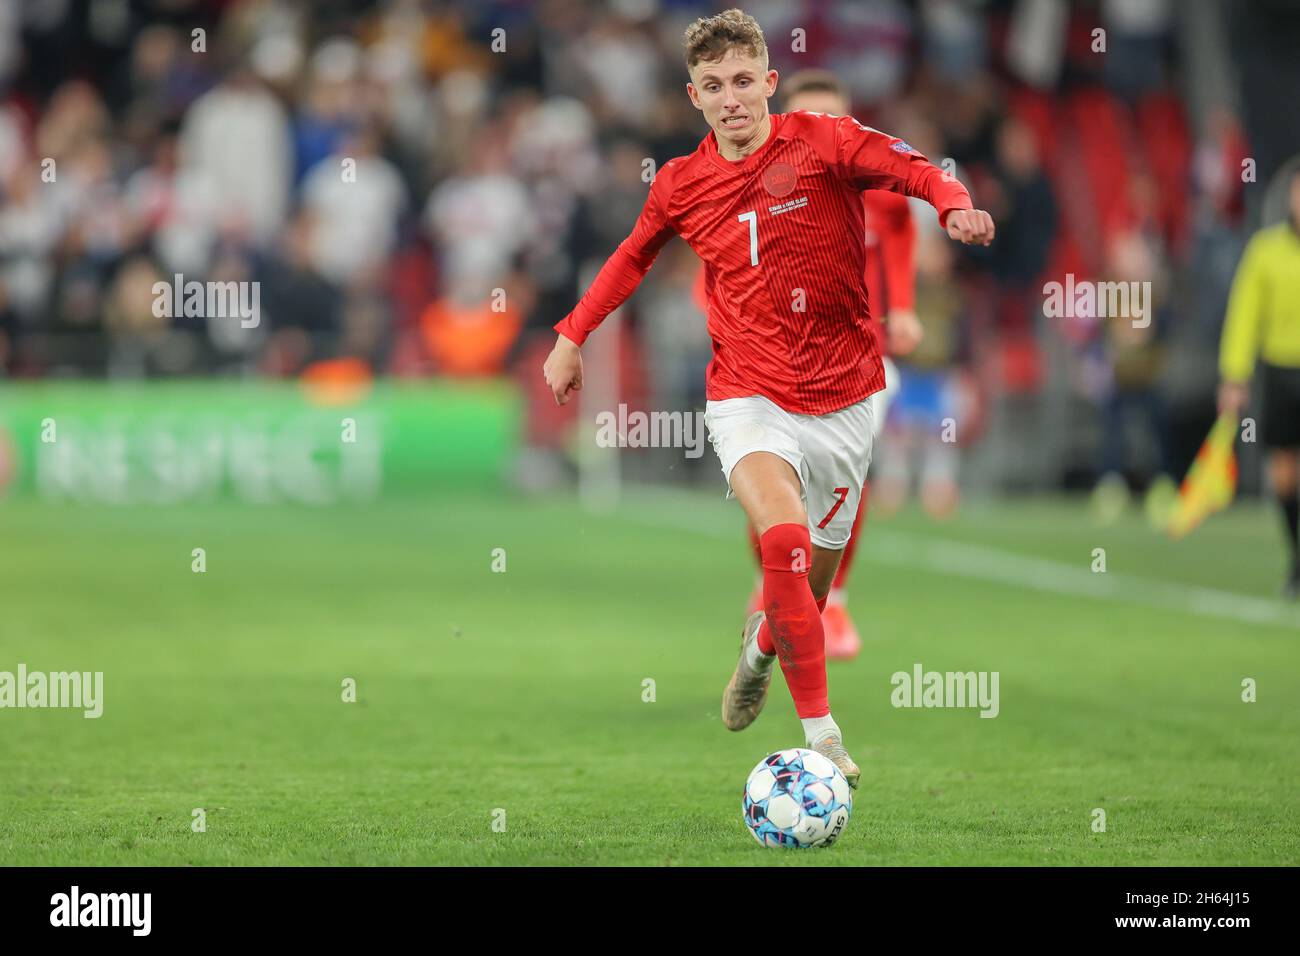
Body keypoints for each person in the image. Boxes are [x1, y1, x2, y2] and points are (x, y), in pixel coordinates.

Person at [542, 8, 994, 785]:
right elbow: (630, 256)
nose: (731, 98)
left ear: (770, 83)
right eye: (713, 86)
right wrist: (571, 335)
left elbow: (916, 165)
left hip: (845, 395)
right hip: (748, 395)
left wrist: (951, 201)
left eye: (744, 81)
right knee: (780, 541)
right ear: (694, 97)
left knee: (805, 599)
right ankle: (823, 739)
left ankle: (759, 649)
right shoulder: (682, 184)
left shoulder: (823, 140)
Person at [736, 68, 924, 660]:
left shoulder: (869, 174)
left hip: (854, 353)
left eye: (833, 119)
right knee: (772, 482)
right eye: (808, 118)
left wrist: (907, 306)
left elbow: (898, 228)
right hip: (771, 357)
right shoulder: (758, 181)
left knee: (848, 472)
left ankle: (833, 599)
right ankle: (778, 584)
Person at [1218, 166, 1300, 597]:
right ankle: (1296, 559)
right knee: (1284, 475)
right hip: (1280, 372)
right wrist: (1235, 375)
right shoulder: (1265, 251)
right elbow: (1244, 316)